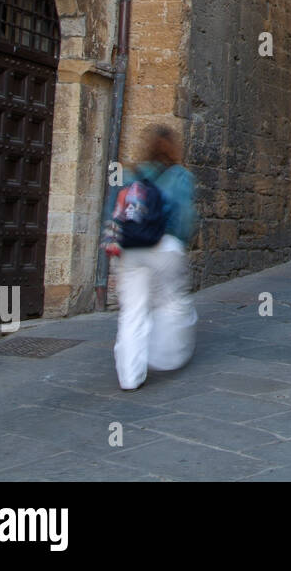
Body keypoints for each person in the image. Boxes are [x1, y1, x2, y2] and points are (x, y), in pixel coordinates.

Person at [106, 125, 198, 391]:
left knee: (132, 310)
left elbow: (115, 213)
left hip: (132, 250)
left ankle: (129, 376)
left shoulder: (129, 175)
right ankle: (166, 358)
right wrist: (179, 241)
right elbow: (184, 218)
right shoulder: (180, 176)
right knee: (170, 302)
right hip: (165, 247)